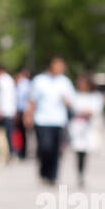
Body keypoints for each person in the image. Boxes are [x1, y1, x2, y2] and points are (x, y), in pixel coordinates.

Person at [23, 55, 75, 186]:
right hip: (42, 119)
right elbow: (32, 100)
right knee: (45, 147)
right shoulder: (39, 80)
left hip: (59, 120)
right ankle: (43, 171)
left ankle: (53, 175)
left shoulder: (65, 82)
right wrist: (28, 115)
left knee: (56, 149)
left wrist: (66, 101)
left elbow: (72, 102)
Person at [68, 72, 104, 187]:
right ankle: (79, 172)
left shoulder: (95, 96)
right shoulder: (75, 95)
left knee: (85, 151)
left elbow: (95, 110)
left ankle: (82, 173)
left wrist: (84, 110)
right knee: (78, 150)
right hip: (76, 127)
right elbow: (73, 108)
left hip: (88, 128)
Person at [0, 62, 18, 164]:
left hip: (2, 110)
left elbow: (0, 96)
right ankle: (11, 153)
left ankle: (0, 154)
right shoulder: (10, 79)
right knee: (8, 134)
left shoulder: (0, 79)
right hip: (10, 110)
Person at [14, 66, 33, 159]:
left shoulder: (22, 85)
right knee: (24, 132)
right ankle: (22, 151)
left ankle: (22, 152)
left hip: (22, 110)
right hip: (25, 110)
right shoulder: (29, 84)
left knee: (21, 132)